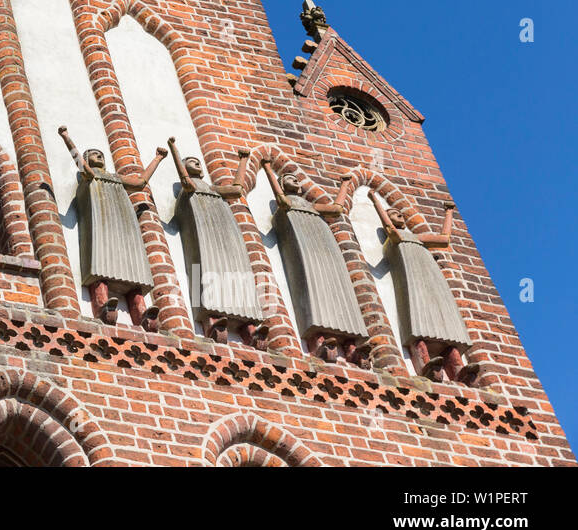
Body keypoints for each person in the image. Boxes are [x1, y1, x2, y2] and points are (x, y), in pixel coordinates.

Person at [58, 127, 167, 327]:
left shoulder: (116, 178)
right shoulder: (90, 176)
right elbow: (80, 164)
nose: (98, 156)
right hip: (101, 224)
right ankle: (101, 303)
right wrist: (66, 137)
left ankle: (141, 310)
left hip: (123, 224)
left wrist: (158, 159)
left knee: (133, 267)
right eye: (93, 154)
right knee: (102, 263)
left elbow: (141, 182)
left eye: (100, 154)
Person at [262, 162, 369, 365]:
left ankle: (351, 347)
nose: (294, 181)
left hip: (324, 244)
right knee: (314, 292)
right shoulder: (287, 202)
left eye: (295, 179)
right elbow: (281, 200)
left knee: (338, 291)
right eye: (288, 180)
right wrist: (268, 170)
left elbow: (336, 209)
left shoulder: (311, 206)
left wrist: (345, 185)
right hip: (304, 246)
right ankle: (319, 341)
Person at [368, 191, 476, 383]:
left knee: (446, 325)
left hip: (432, 280)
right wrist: (375, 201)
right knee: (418, 321)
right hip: (412, 283)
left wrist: (449, 213)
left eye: (399, 212)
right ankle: (425, 363)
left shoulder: (416, 237)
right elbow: (390, 230)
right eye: (393, 213)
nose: (399, 214)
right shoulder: (394, 239)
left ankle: (458, 368)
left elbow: (444, 239)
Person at [167, 138, 265, 347]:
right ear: (184, 166)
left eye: (198, 162)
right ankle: (213, 320)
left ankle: (249, 327)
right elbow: (184, 181)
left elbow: (237, 189)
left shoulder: (212, 188)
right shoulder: (190, 186)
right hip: (205, 235)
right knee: (207, 271)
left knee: (236, 271)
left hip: (226, 234)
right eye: (192, 162)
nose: (198, 165)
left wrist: (243, 161)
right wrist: (173, 147)